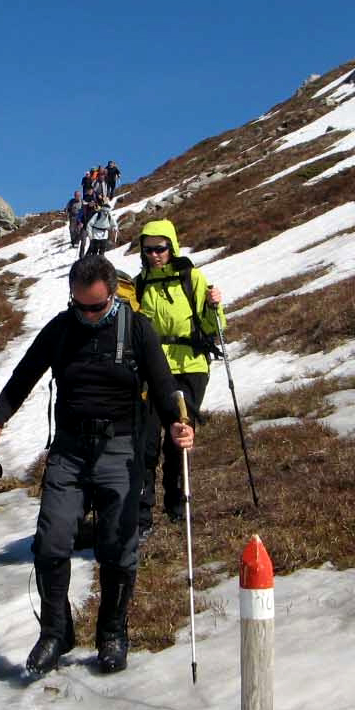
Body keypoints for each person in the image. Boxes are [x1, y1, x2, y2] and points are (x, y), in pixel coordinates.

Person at [0, 254, 195, 675]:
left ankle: (112, 633)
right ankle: (56, 632)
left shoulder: (137, 329)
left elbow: (165, 388)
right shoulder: (61, 328)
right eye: (80, 305)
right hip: (70, 450)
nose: (88, 314)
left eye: (95, 307)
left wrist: (178, 425)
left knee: (117, 547)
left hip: (121, 449)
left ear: (113, 295)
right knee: (51, 542)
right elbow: (23, 377)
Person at [133, 219, 224, 528]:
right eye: (149, 250)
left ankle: (176, 504)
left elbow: (212, 327)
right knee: (146, 440)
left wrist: (214, 307)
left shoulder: (192, 277)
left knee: (177, 439)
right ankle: (142, 511)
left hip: (190, 366)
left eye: (160, 248)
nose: (154, 255)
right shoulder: (140, 284)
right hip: (155, 368)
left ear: (171, 246)